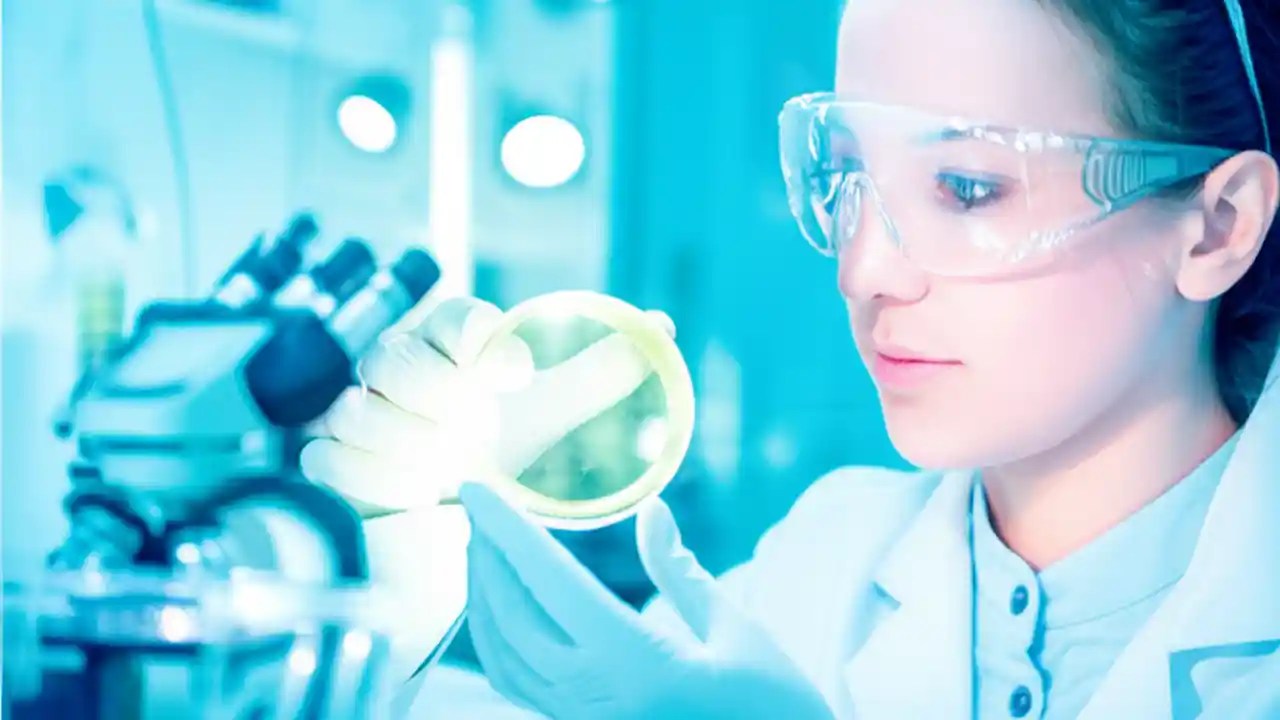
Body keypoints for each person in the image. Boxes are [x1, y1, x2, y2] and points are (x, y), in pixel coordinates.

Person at [301, 0, 1280, 717]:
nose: (864, 271)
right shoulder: (826, 559)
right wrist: (366, 613)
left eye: (968, 188)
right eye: (849, 177)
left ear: (1214, 226)